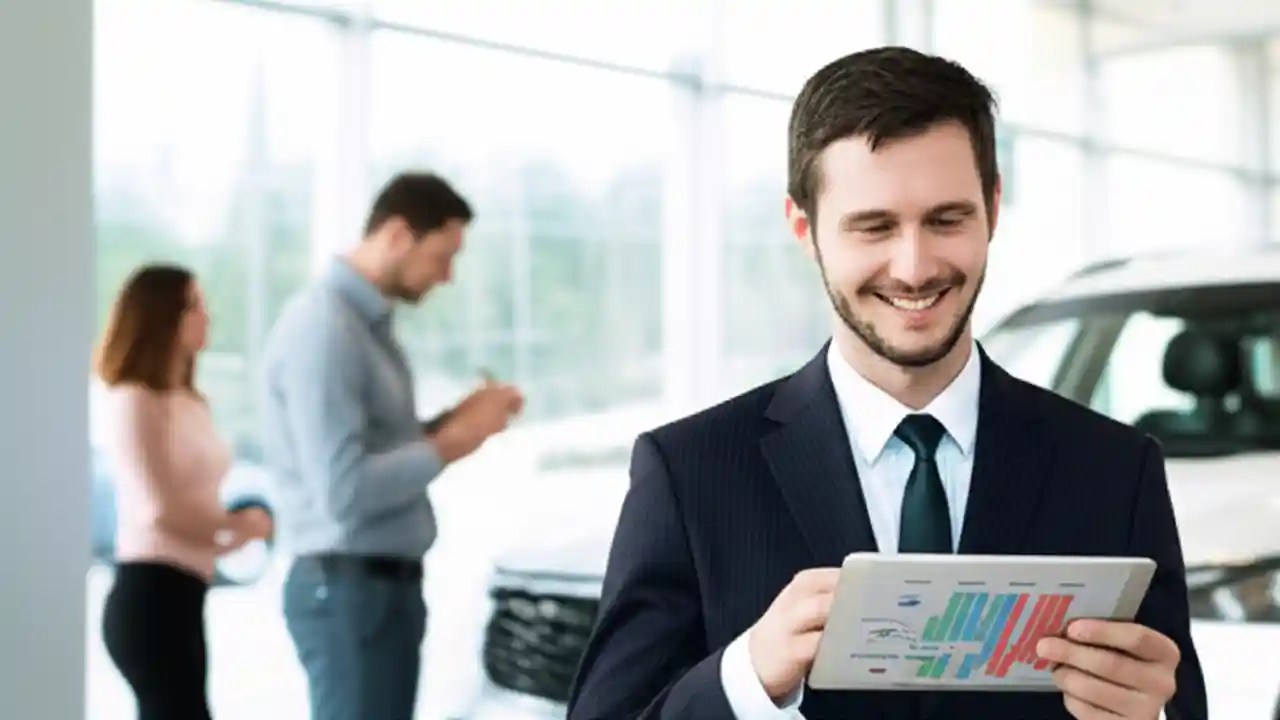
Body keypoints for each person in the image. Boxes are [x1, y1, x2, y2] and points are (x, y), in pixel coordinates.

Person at [567, 47, 1208, 720]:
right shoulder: (691, 471)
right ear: (804, 229)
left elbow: (1178, 702)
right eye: (874, 227)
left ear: (992, 207)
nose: (914, 266)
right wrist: (747, 679)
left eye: (946, 219)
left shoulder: (1114, 469)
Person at [261, 172, 524, 720]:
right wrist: (455, 440)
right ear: (399, 235)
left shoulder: (365, 326)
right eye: (443, 255)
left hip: (376, 591)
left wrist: (455, 419)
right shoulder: (326, 328)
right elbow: (344, 490)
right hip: (350, 591)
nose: (448, 276)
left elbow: (377, 446)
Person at [96, 264, 273, 720]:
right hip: (149, 597)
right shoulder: (133, 400)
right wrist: (236, 524)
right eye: (194, 306)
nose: (207, 316)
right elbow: (159, 511)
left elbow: (192, 507)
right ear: (161, 316)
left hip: (187, 591)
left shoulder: (191, 402)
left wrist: (230, 534)